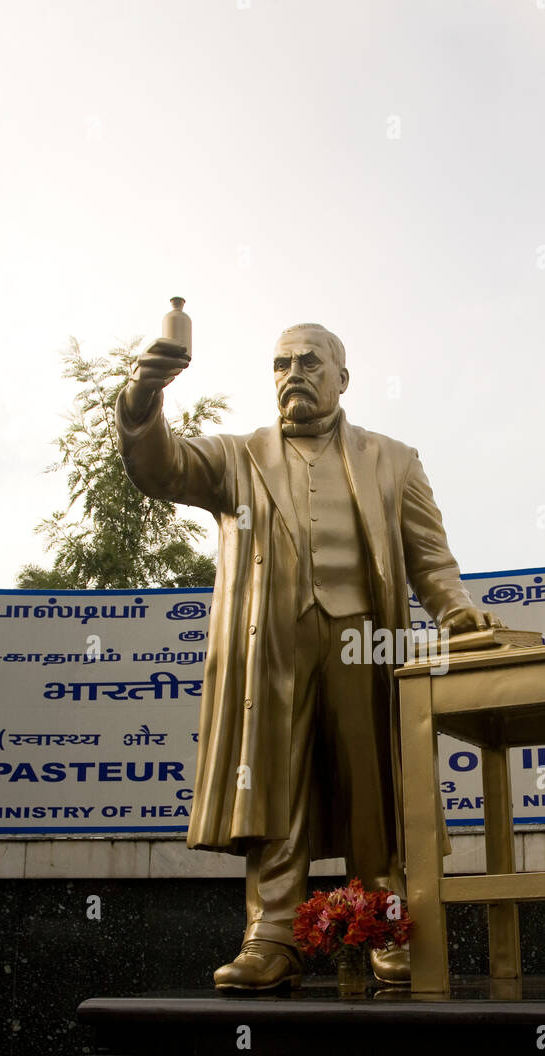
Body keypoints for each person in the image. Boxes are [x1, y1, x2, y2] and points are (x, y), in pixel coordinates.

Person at [116, 322, 491, 989]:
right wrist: (144, 390)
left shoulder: (394, 460)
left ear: (342, 377)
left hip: (365, 640)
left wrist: (455, 608)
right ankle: (273, 935)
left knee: (373, 784)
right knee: (272, 787)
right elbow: (159, 466)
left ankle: (387, 922)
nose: (293, 372)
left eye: (309, 362)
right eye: (281, 363)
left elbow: (431, 560)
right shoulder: (238, 456)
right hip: (272, 648)